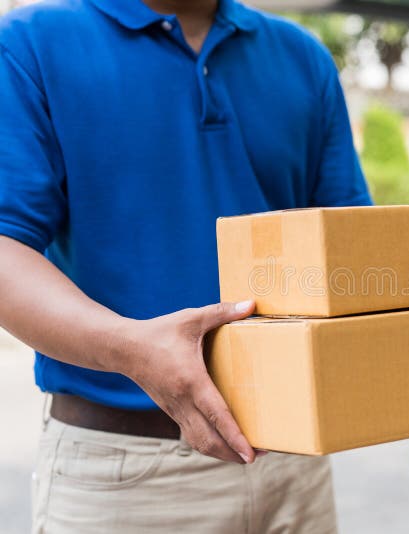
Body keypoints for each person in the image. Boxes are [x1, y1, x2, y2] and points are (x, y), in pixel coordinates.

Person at [0, 0, 372, 531]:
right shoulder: (29, 43)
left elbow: (350, 243)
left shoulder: (303, 57)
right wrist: (133, 349)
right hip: (125, 472)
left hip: (296, 464)